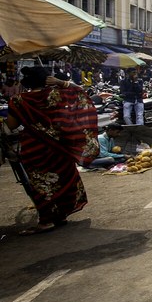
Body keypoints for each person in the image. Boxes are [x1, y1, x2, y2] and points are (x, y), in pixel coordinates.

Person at [3, 66, 98, 234]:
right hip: (60, 146)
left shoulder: (19, 100)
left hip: (35, 149)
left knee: (42, 184)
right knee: (63, 178)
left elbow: (11, 125)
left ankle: (46, 221)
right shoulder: (57, 94)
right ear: (47, 79)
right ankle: (60, 215)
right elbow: (81, 92)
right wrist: (61, 82)